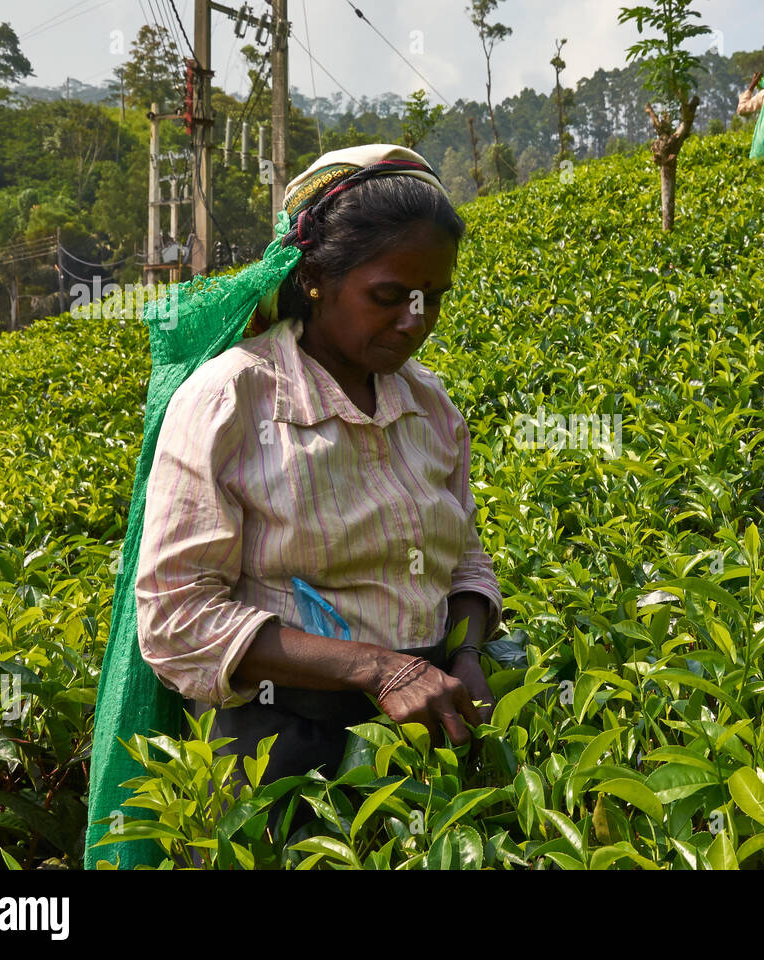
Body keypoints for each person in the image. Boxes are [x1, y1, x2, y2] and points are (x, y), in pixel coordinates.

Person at [85, 144, 504, 865]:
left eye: (432, 298)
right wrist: (373, 668)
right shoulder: (230, 400)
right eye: (390, 294)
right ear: (314, 278)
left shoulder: (429, 404)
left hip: (430, 734)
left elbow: (463, 555)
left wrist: (465, 653)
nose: (416, 319)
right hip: (279, 760)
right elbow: (178, 616)